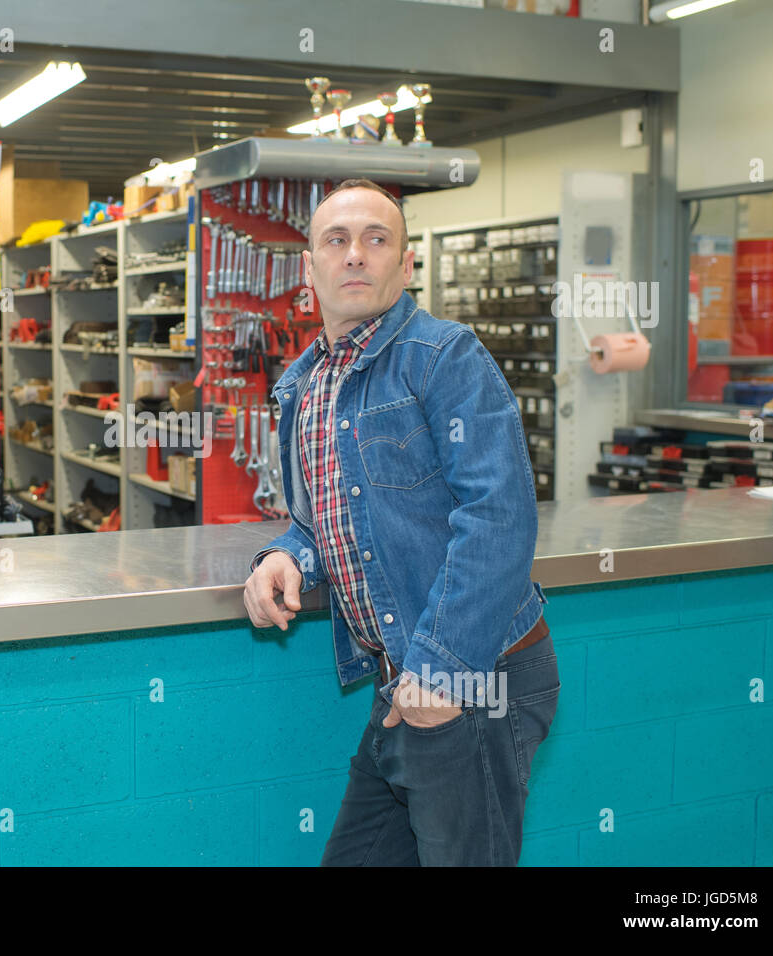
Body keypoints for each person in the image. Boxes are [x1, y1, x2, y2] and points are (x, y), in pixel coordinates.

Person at [242, 179, 560, 866]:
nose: (355, 255)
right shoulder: (303, 385)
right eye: (337, 240)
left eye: (376, 240)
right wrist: (286, 555)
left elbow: (499, 514)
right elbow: (322, 516)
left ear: (406, 264)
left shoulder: (444, 358)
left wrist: (444, 669)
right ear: (309, 269)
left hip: (473, 674)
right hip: (401, 683)